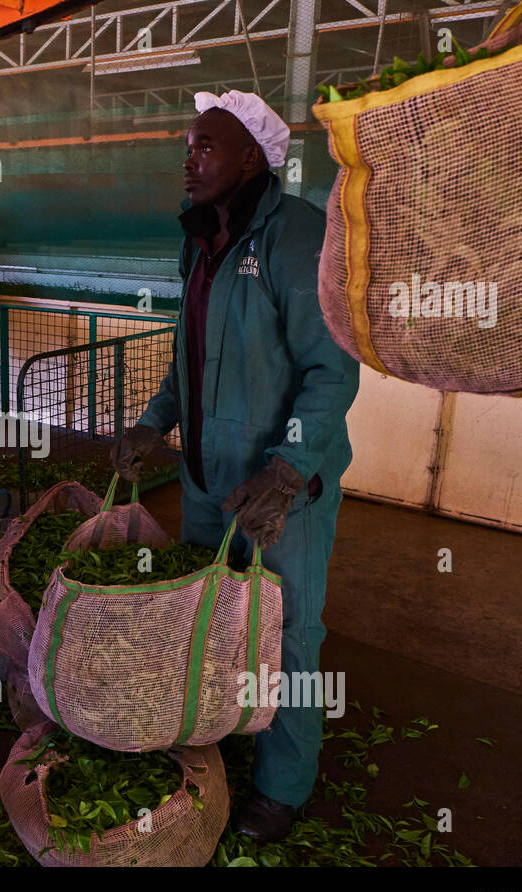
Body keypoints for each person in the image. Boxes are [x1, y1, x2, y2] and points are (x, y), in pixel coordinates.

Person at [113, 91, 359, 843]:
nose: (189, 159)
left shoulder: (296, 239)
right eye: (187, 146)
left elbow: (332, 370)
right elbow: (189, 360)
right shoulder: (201, 242)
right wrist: (155, 423)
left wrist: (286, 472)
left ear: (252, 157)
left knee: (288, 637)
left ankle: (283, 785)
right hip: (206, 481)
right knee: (214, 624)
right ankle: (214, 742)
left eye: (206, 147)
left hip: (283, 494)